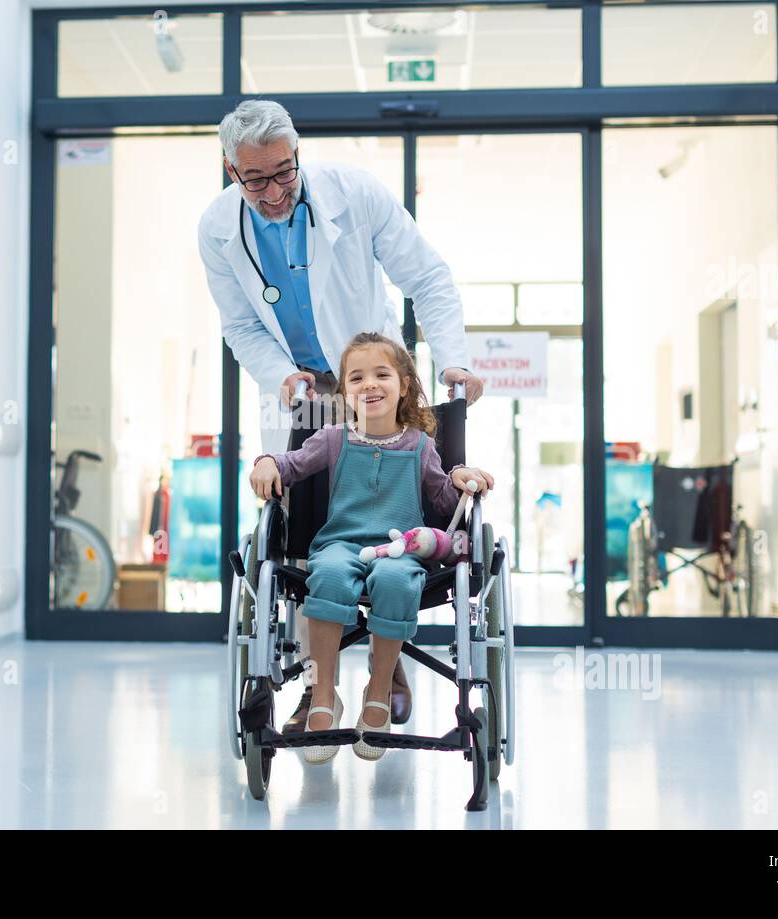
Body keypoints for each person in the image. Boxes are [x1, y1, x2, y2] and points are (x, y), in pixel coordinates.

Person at [198, 99, 486, 733]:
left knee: (391, 507)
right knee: (307, 529)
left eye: (284, 172)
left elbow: (428, 277)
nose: (273, 191)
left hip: (370, 371)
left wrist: (454, 363)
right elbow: (241, 324)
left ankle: (393, 668)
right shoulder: (217, 228)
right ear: (230, 169)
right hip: (300, 387)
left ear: (298, 153)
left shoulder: (354, 194)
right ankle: (312, 687)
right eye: (255, 179)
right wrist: (282, 377)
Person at [249, 332, 495, 764]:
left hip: (400, 550)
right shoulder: (332, 438)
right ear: (344, 391)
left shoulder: (421, 447)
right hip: (338, 545)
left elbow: (441, 502)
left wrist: (460, 475)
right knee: (325, 576)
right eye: (357, 377)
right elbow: (289, 466)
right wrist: (266, 461)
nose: (369, 384)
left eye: (382, 374)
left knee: (398, 581)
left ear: (403, 386)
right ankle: (325, 691)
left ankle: (378, 691)